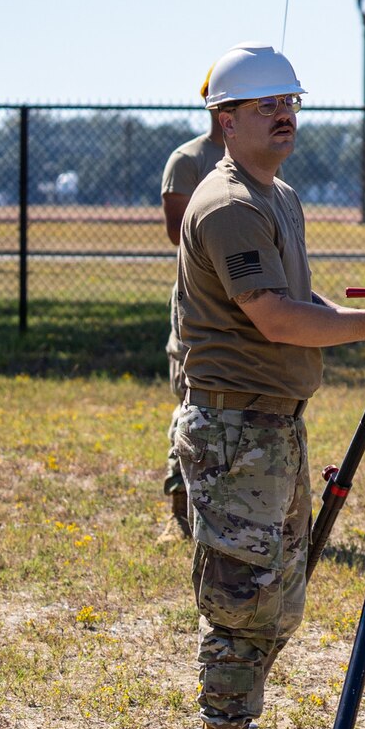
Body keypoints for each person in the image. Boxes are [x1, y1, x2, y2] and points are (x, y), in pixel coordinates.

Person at [174, 42, 365, 729]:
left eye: (291, 101)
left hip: (270, 426)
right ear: (225, 119)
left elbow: (304, 297)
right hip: (233, 432)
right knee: (242, 595)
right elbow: (275, 316)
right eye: (266, 105)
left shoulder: (276, 194)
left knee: (277, 593)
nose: (285, 115)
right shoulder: (228, 205)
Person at [157, 81, 227, 541]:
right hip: (201, 308)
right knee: (192, 406)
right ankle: (179, 510)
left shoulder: (264, 165)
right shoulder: (188, 161)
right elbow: (177, 234)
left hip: (245, 313)